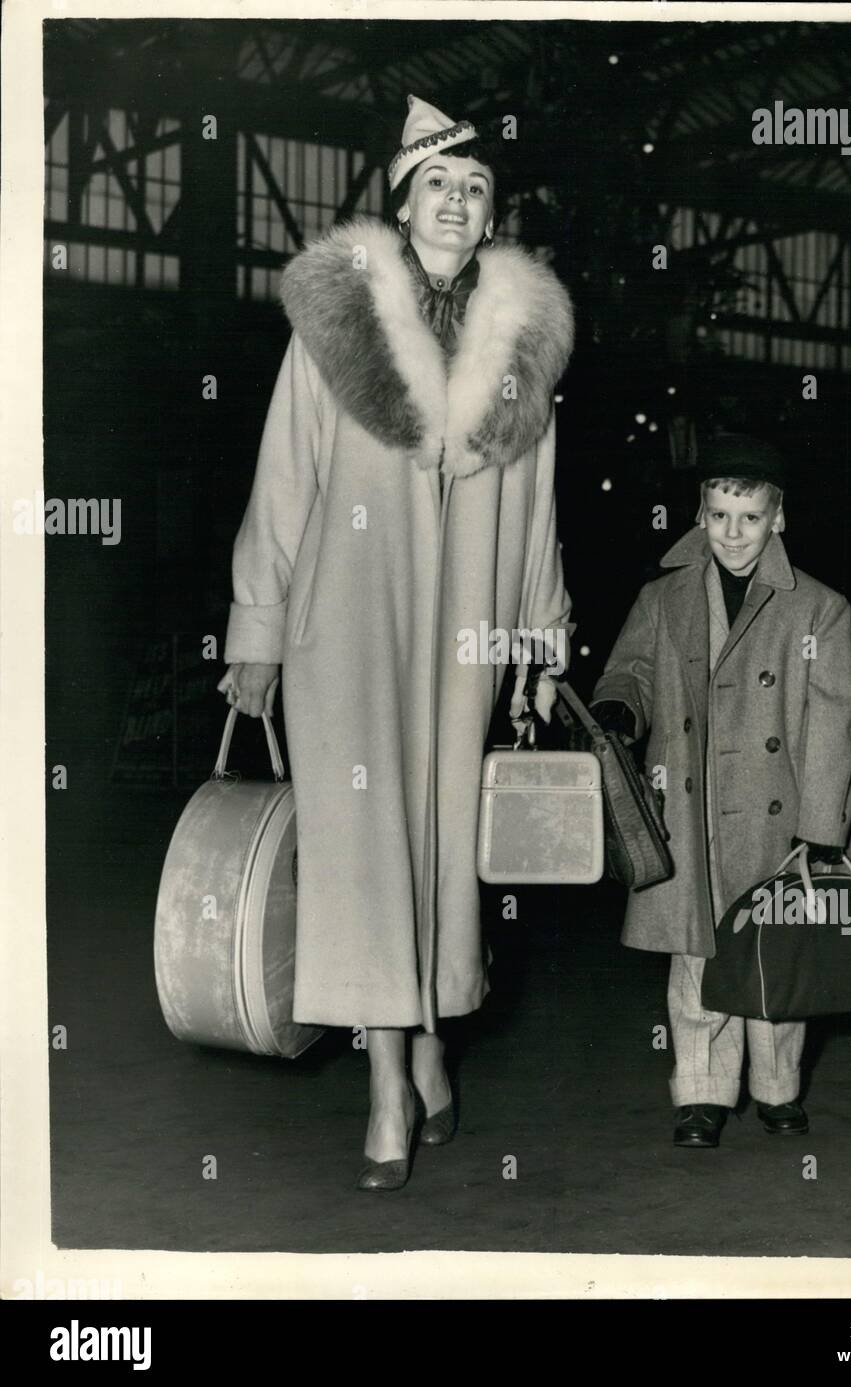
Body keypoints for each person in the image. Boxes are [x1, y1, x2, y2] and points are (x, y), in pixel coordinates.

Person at [217, 95, 573, 1189]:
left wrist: (538, 635)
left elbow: (539, 506)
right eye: (439, 186)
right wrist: (258, 631)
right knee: (365, 849)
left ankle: (427, 1040)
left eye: (476, 190)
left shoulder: (522, 349)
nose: (458, 203)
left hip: (464, 636)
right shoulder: (337, 327)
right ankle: (383, 1087)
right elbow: (284, 481)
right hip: (348, 626)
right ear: (402, 201)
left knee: (441, 843)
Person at [591, 434, 851, 1148]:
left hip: (780, 815)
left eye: (750, 518)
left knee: (778, 952)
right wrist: (621, 705)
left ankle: (777, 1087)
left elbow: (834, 725)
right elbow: (632, 670)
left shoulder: (819, 610)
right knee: (697, 954)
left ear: (779, 517)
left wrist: (820, 829)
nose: (733, 534)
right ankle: (702, 1094)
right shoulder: (665, 597)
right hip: (690, 806)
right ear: (700, 514)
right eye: (719, 516)